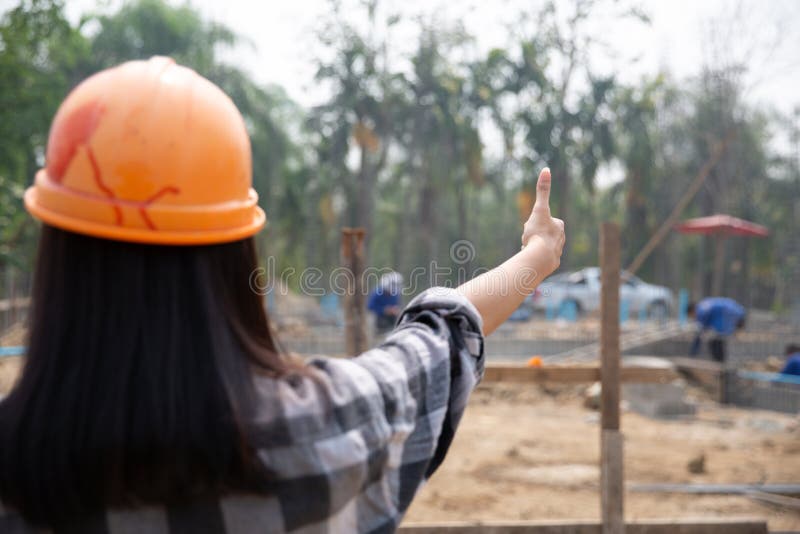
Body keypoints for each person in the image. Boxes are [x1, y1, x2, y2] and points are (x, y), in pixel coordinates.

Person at [0, 57, 565, 532]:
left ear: (56, 256)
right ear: (235, 254)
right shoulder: (323, 431)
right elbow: (440, 337)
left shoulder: (18, 477)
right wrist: (537, 255)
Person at [688, 297, 746, 364]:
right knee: (716, 339)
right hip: (736, 311)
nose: (694, 318)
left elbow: (700, 332)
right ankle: (720, 362)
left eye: (691, 316)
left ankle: (719, 363)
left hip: (729, 313)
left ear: (692, 311)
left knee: (716, 339)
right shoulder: (703, 305)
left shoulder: (700, 310)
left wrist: (693, 353)